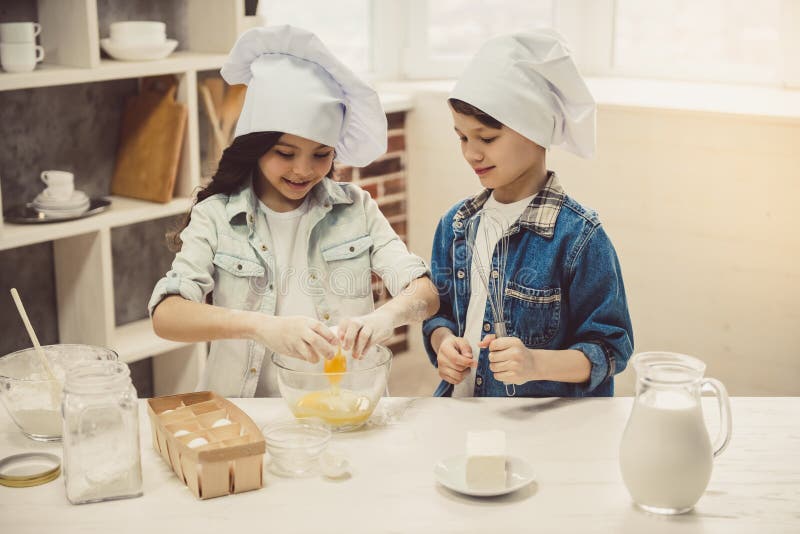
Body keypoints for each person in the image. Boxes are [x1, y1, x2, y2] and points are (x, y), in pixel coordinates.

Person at [149, 25, 438, 397]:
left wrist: (386, 317)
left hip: (344, 403)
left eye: (321, 154)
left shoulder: (357, 209)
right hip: (248, 413)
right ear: (255, 148)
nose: (303, 170)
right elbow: (166, 315)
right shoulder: (217, 216)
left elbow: (425, 293)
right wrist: (261, 327)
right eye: (285, 154)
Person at [422, 29, 633, 397]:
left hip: (540, 429)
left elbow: (612, 347)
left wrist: (536, 364)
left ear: (535, 131)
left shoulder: (579, 237)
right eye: (462, 137)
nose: (471, 153)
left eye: (486, 138)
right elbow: (439, 315)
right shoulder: (456, 225)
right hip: (462, 415)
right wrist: (442, 342)